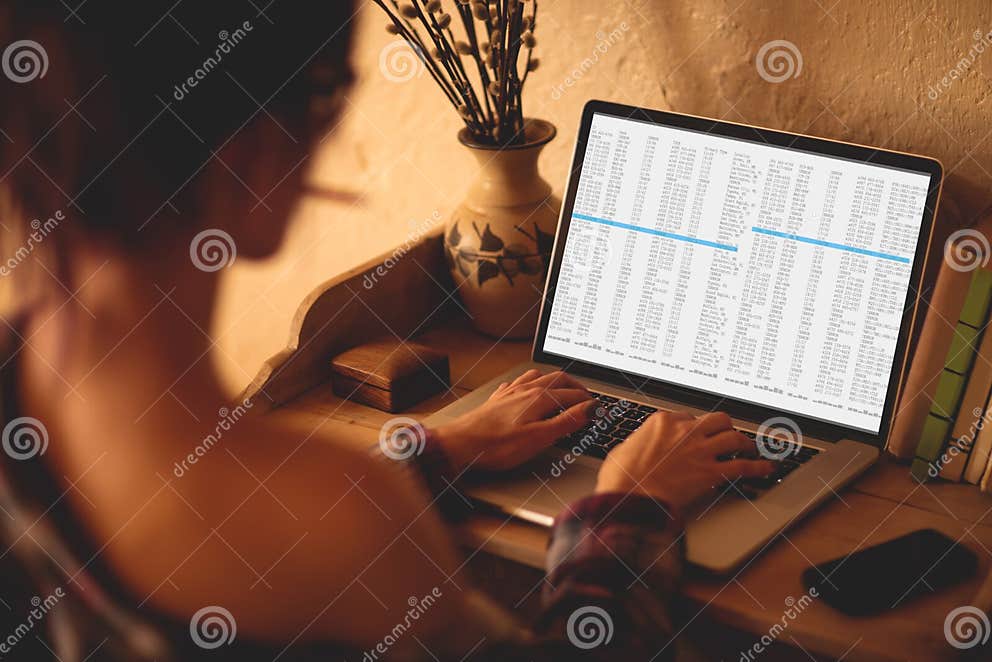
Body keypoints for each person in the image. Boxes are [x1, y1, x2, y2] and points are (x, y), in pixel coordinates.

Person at [0, 2, 775, 659]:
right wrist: (629, 504)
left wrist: (441, 450)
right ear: (253, 157)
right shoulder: (350, 518)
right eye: (327, 99)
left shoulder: (21, 384)